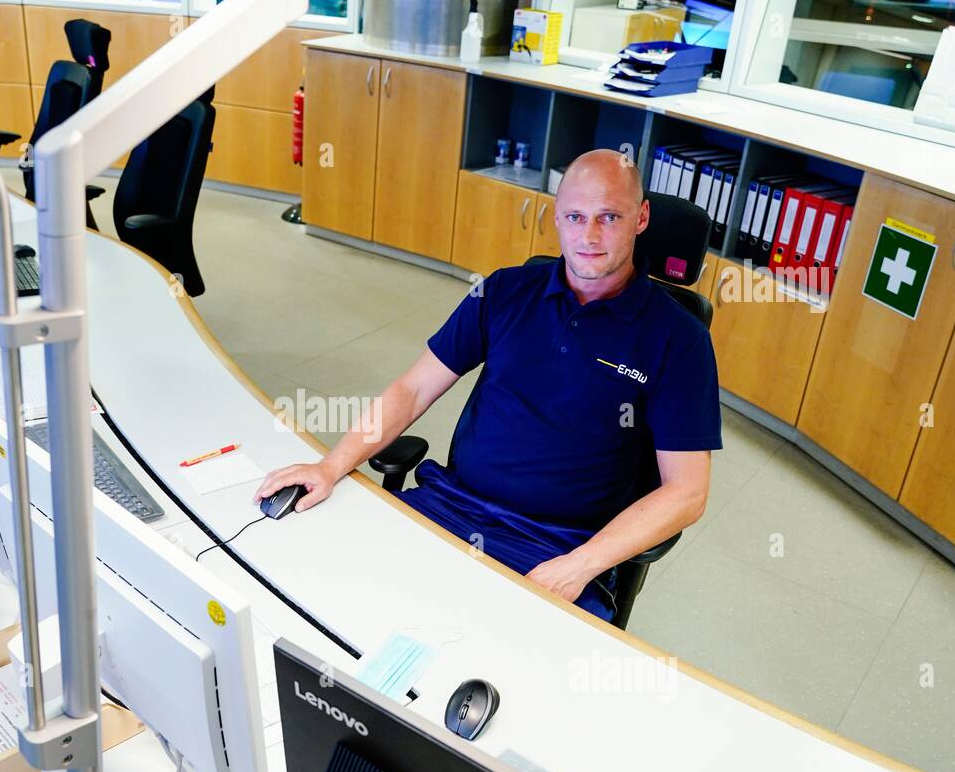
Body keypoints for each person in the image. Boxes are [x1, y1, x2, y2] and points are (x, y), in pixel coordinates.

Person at [254, 149, 722, 621]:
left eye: (610, 217)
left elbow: (686, 492)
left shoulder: (679, 340)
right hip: (446, 507)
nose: (589, 236)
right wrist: (331, 466)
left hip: (557, 548)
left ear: (641, 218)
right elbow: (413, 389)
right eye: (576, 216)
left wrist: (581, 565)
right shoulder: (503, 290)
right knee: (321, 599)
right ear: (555, 215)